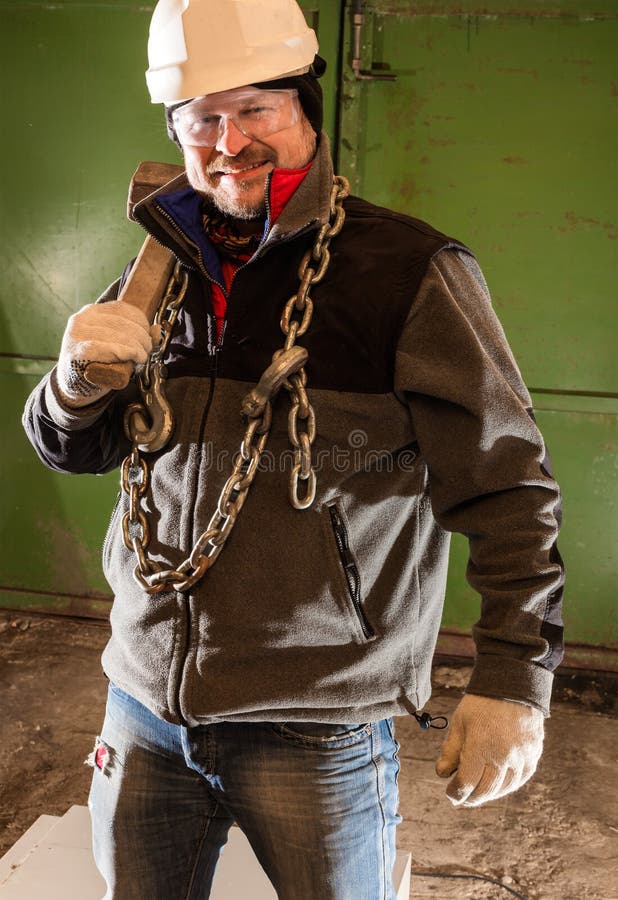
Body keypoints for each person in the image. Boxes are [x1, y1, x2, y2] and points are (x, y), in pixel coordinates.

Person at [22, 0, 564, 897]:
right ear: (175, 131)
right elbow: (75, 450)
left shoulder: (409, 272)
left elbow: (508, 488)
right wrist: (72, 389)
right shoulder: (160, 270)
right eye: (203, 119)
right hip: (142, 704)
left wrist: (514, 679)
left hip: (316, 719)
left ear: (304, 109)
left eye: (255, 110)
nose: (229, 142)